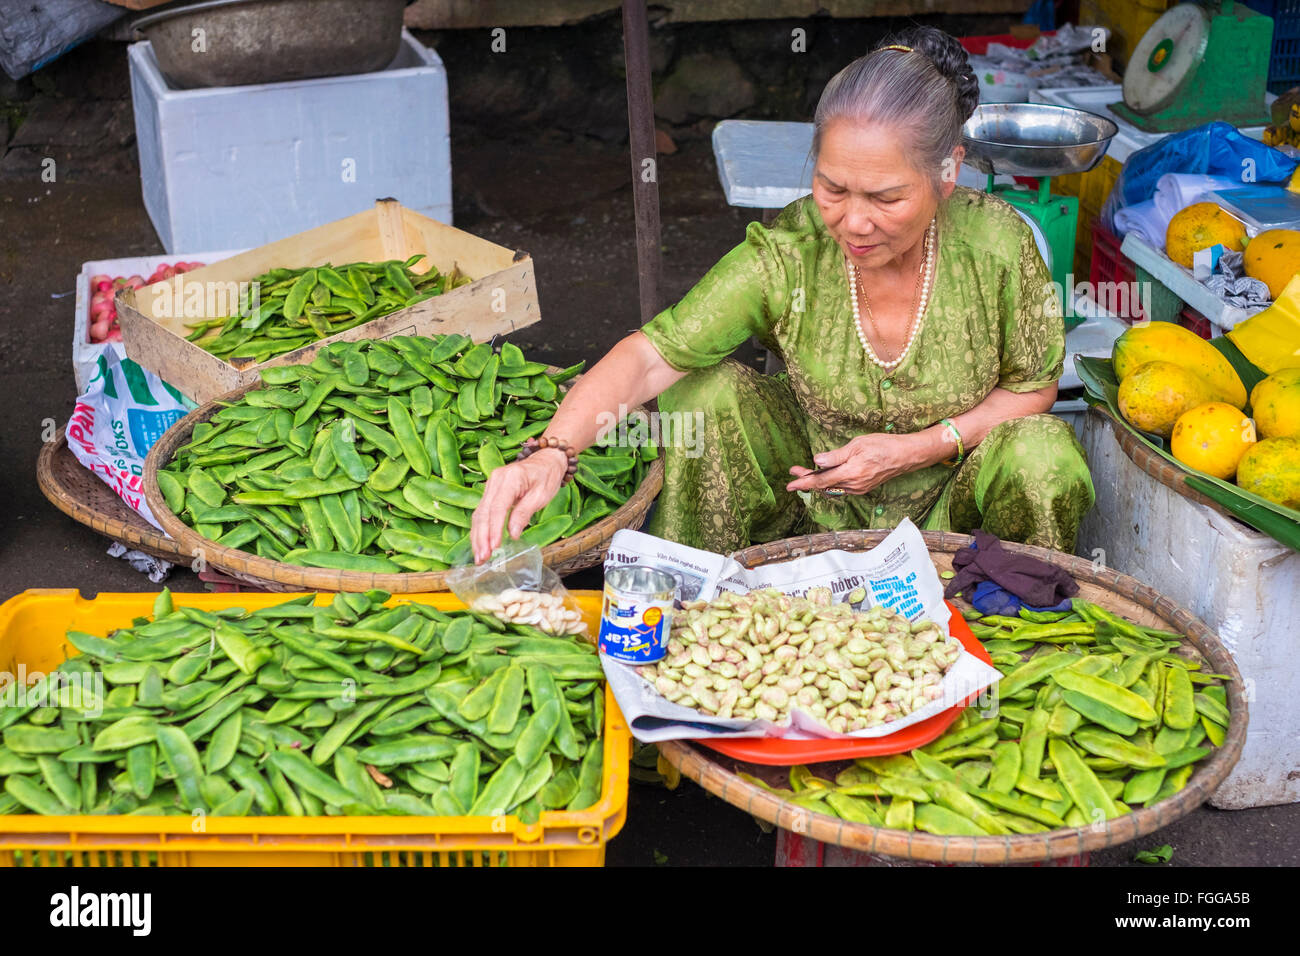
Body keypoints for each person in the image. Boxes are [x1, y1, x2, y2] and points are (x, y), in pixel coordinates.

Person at [471, 25, 1095, 565]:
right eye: (833, 188)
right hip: (807, 501)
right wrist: (551, 453)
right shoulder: (792, 249)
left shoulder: (998, 247)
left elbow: (1032, 389)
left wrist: (916, 449)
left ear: (948, 172)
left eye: (886, 198)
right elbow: (652, 356)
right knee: (704, 392)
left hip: (951, 519)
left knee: (1043, 456)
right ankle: (701, 607)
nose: (854, 222)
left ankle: (1011, 646)